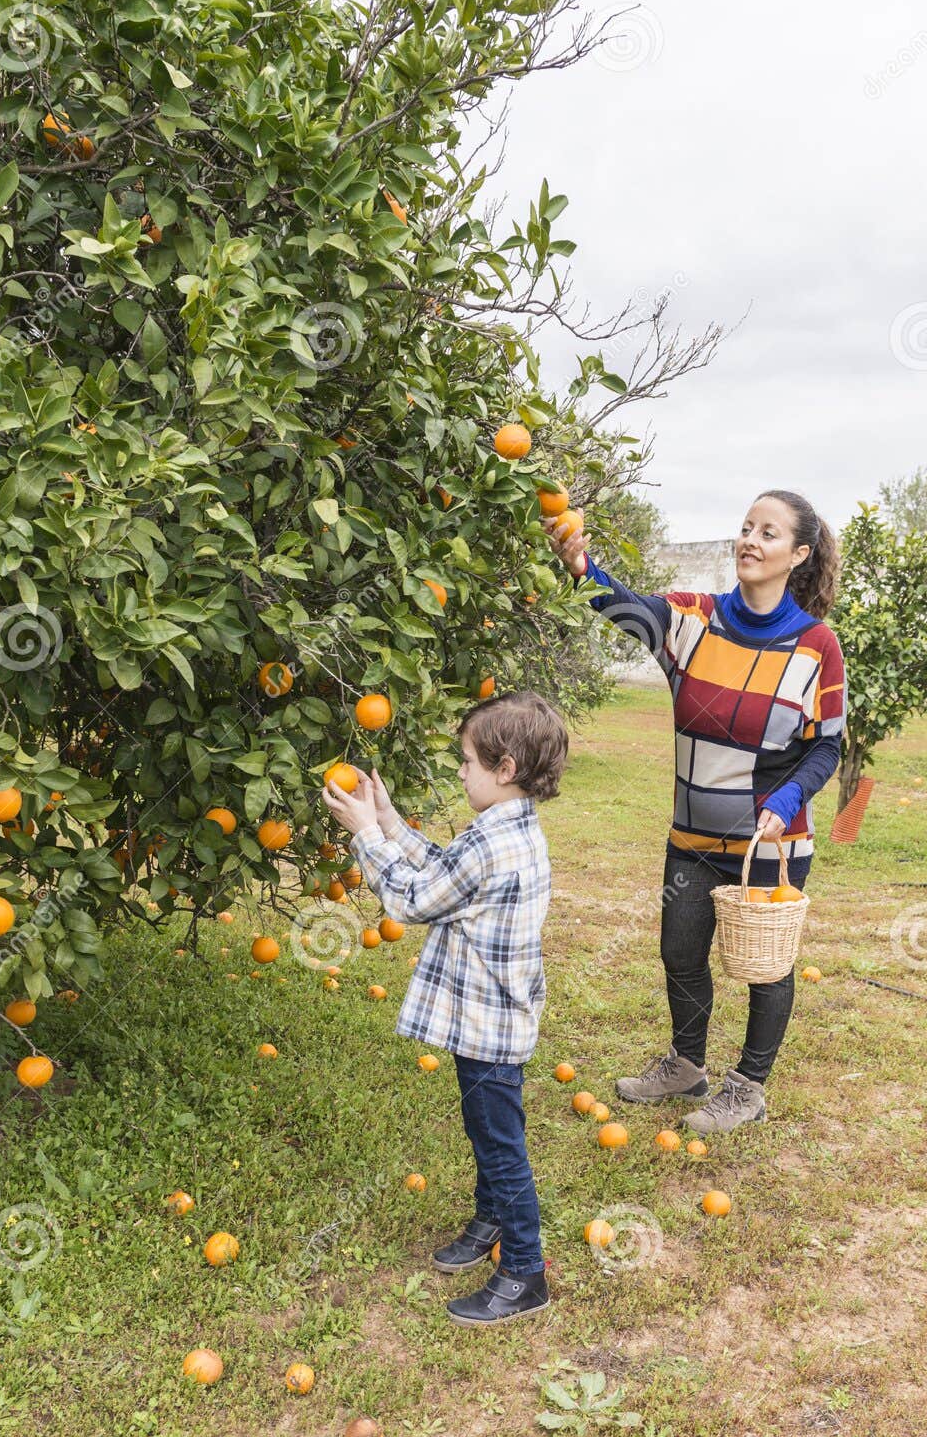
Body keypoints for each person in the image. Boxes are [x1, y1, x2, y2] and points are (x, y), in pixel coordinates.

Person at [544, 490, 846, 1134]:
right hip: (693, 838)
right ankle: (687, 1065)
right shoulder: (695, 621)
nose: (750, 541)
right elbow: (628, 608)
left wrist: (786, 801)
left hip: (771, 844)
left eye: (768, 534)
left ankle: (750, 1085)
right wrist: (580, 565)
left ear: (797, 554)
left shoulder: (817, 646)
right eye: (745, 528)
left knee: (765, 968)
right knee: (679, 953)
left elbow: (827, 745)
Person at [322, 691, 569, 1326]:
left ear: (504, 767)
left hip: (489, 1028)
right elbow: (442, 868)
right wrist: (392, 822)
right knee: (486, 1133)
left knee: (499, 1144)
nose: (460, 772)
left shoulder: (492, 843)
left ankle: (524, 1270)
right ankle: (490, 1221)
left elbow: (411, 900)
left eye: (466, 761)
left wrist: (368, 837)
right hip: (488, 1020)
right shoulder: (505, 828)